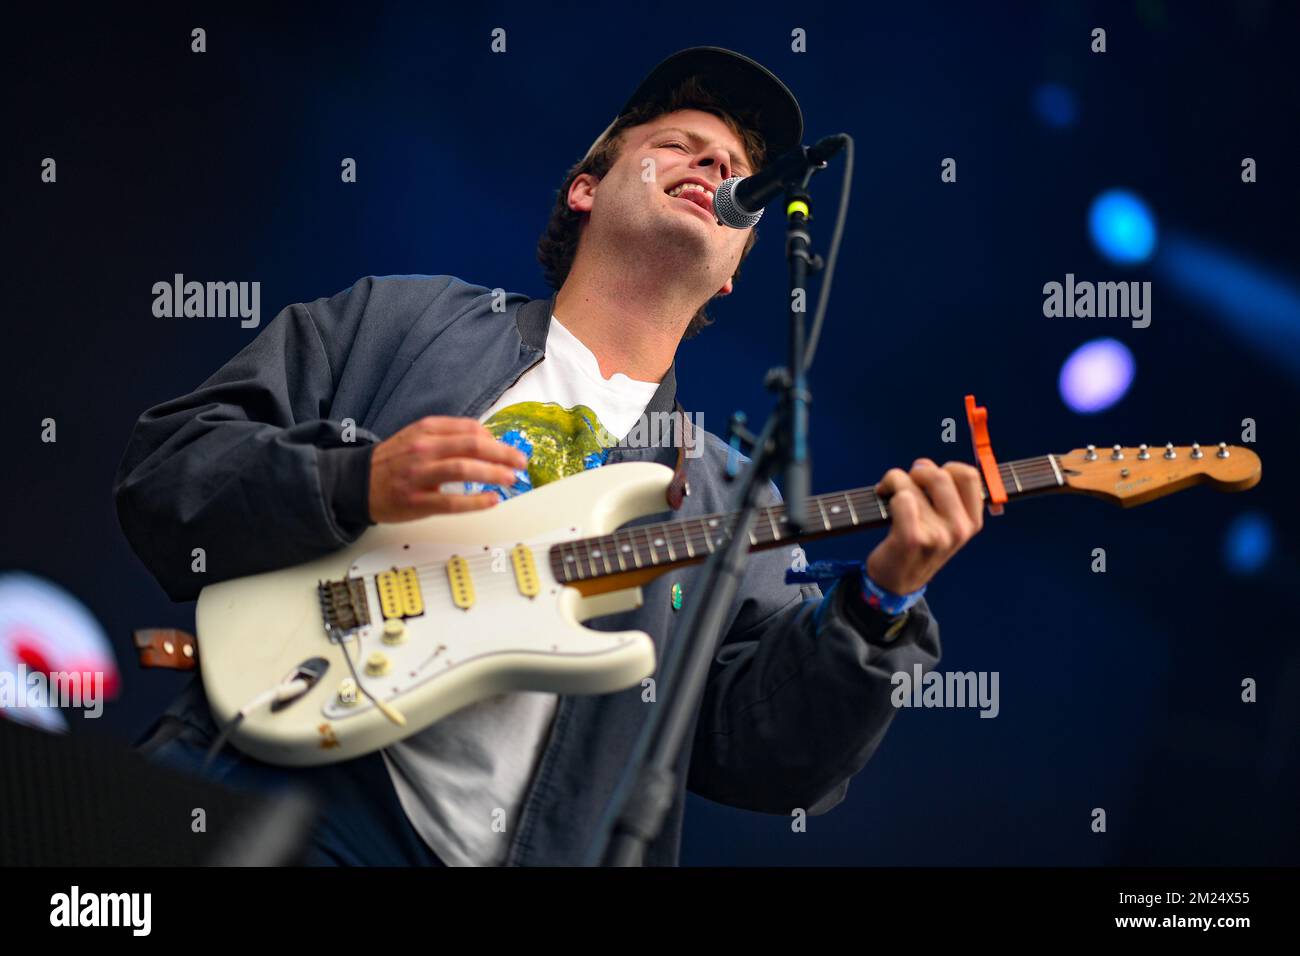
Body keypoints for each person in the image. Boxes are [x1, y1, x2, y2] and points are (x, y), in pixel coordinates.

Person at [115, 47, 984, 867]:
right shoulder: (400, 321)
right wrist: (351, 480)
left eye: (734, 168)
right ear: (585, 189)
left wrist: (879, 604)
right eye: (681, 145)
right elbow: (170, 470)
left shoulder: (726, 492)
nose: (719, 168)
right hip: (273, 786)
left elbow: (766, 755)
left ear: (732, 272)